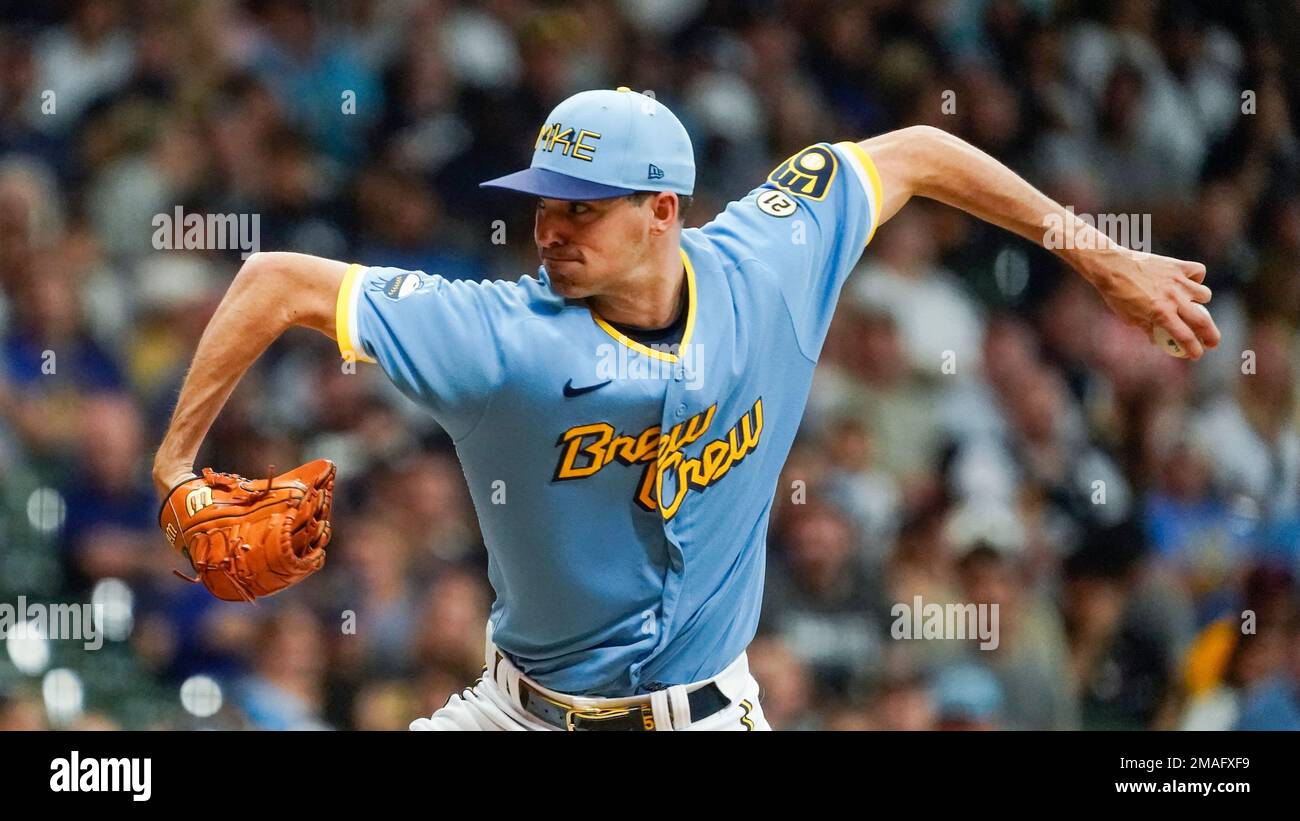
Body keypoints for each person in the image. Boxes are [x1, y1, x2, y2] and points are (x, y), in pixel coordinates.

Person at [152, 87, 1221, 731]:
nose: (549, 229)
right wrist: (176, 467)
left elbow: (919, 154)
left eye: (581, 207)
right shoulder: (493, 334)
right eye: (539, 206)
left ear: (662, 210)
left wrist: (1101, 256)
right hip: (517, 708)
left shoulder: (769, 261)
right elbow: (273, 282)